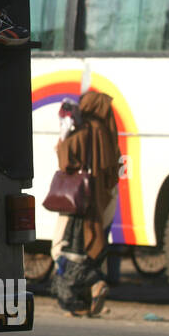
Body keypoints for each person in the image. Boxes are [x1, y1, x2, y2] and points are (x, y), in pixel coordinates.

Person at [49, 90, 120, 317]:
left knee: (66, 249)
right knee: (91, 249)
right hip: (102, 201)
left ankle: (82, 296)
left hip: (79, 200)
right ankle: (88, 299)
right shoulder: (107, 132)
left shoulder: (84, 129)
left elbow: (66, 160)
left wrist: (63, 138)